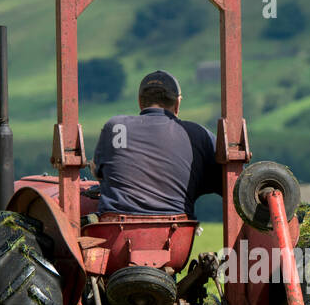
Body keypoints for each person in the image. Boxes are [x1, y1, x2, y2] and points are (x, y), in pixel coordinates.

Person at [91, 70, 220, 219]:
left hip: (117, 234)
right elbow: (232, 184)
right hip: (175, 235)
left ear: (140, 102)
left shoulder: (115, 126)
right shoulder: (198, 134)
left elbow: (100, 172)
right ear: (177, 104)